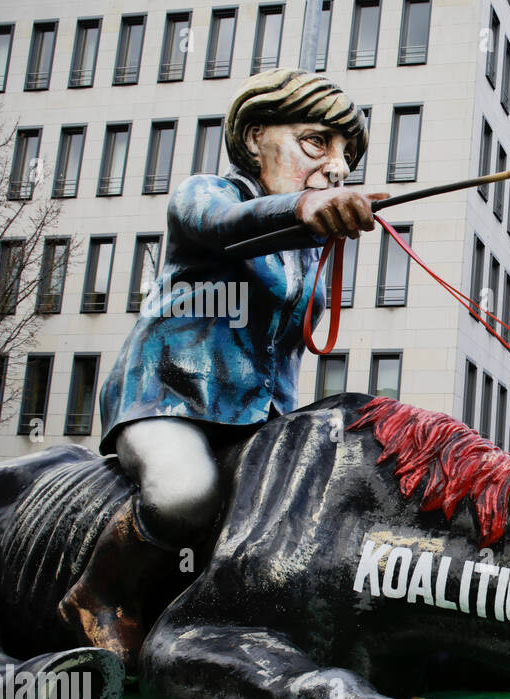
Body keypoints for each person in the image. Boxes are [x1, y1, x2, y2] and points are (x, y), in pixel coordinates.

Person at [60, 69, 379, 662]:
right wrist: (306, 206)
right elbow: (227, 227)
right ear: (256, 135)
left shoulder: (304, 247)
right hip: (168, 399)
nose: (337, 166)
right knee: (184, 494)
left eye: (346, 156)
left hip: (260, 416)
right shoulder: (206, 195)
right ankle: (97, 593)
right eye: (318, 143)